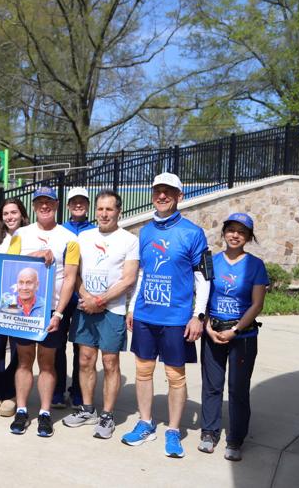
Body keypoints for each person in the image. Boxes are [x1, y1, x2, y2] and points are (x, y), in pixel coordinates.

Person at [122, 172, 210, 458]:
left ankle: (173, 430)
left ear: (179, 196)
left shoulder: (192, 232)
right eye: (158, 190)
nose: (162, 196)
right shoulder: (145, 232)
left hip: (176, 319)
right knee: (143, 371)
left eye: (168, 192)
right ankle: (145, 423)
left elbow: (204, 277)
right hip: (147, 315)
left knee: (175, 376)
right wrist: (133, 307)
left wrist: (198, 315)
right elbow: (143, 274)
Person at [62, 190, 138, 440]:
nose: (104, 214)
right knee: (84, 359)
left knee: (109, 362)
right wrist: (86, 298)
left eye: (109, 209)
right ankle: (87, 410)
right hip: (85, 307)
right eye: (100, 209)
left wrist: (102, 301)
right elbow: (73, 274)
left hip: (112, 310)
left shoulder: (129, 240)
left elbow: (129, 278)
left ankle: (107, 415)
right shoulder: (82, 237)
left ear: (119, 211)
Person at [7, 186, 79, 438]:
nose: (44, 206)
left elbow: (70, 278)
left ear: (57, 205)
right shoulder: (20, 234)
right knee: (24, 360)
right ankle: (22, 409)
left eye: (49, 202)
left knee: (47, 364)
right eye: (39, 202)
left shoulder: (69, 237)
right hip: (24, 310)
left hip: (51, 310)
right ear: (35, 206)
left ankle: (45, 413)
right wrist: (36, 256)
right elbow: (10, 267)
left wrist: (59, 314)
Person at [198, 213, 268, 462]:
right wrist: (206, 326)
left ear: (249, 237)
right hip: (212, 332)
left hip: (243, 336)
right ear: (224, 232)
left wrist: (235, 330)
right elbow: (202, 296)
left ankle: (236, 439)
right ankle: (209, 433)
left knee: (238, 390)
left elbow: (257, 304)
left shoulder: (256, 265)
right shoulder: (212, 261)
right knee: (211, 386)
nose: (235, 235)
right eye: (231, 230)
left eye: (242, 231)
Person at [0, 198, 27, 418]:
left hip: (21, 304)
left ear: (22, 214)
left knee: (18, 349)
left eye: (14, 212)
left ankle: (12, 393)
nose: (10, 217)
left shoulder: (30, 236)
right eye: (6, 213)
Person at [56, 187, 94, 408]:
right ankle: (57, 391)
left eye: (82, 201)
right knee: (57, 346)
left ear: (87, 205)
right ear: (68, 206)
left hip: (84, 297)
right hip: (62, 296)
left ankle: (78, 393)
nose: (78, 205)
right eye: (74, 202)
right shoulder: (60, 230)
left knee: (83, 347)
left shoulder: (95, 231)